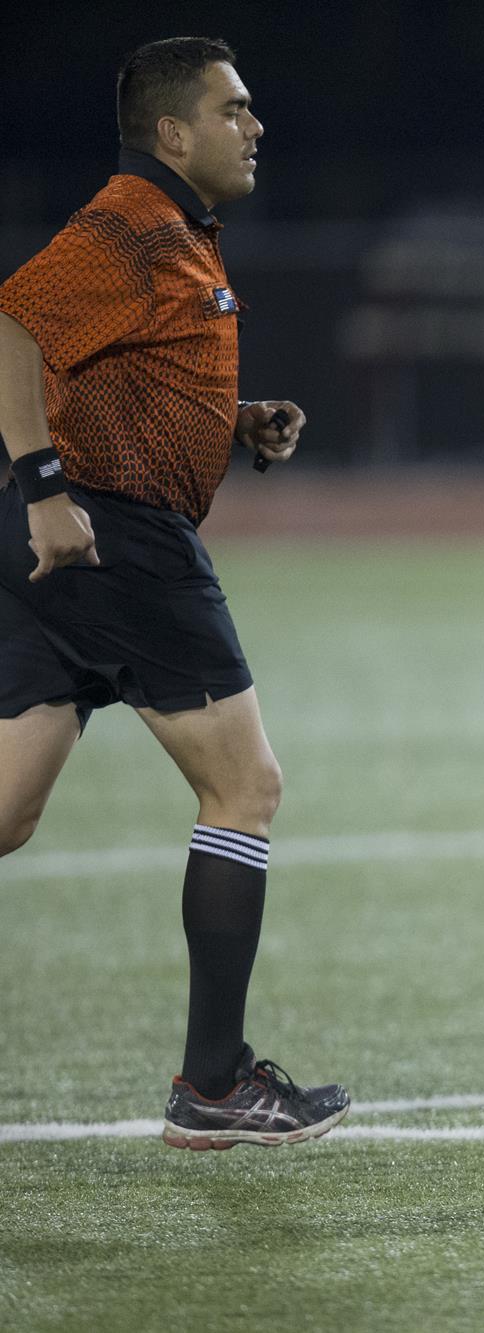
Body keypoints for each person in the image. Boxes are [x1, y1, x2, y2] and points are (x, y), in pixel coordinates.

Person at [0, 38, 349, 1149]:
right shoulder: (133, 225)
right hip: (116, 538)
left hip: (80, 541)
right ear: (171, 134)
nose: (255, 126)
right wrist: (43, 484)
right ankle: (214, 1085)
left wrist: (234, 424)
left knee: (6, 811)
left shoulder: (180, 236)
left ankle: (215, 1083)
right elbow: (11, 324)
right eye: (233, 109)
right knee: (245, 786)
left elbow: (111, 370)